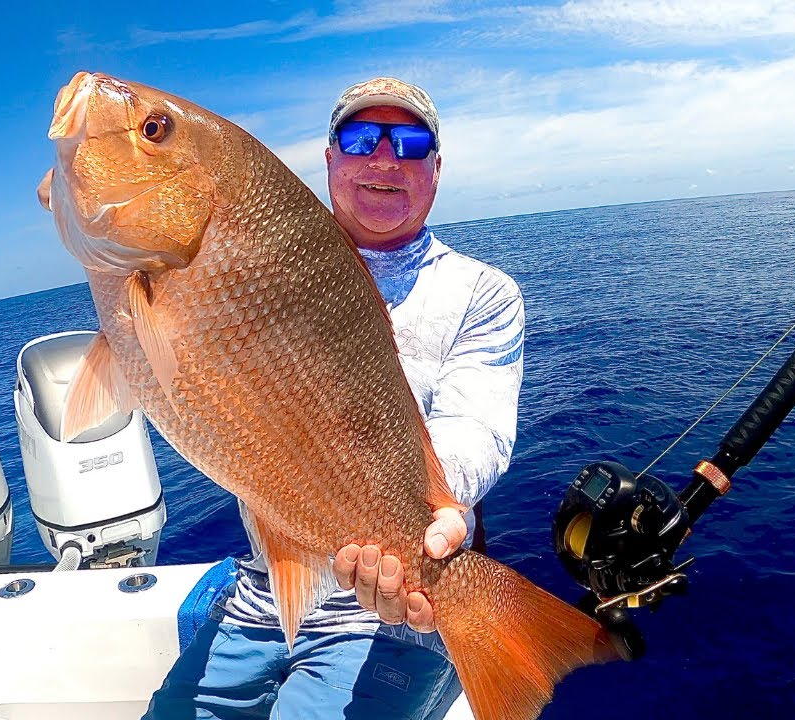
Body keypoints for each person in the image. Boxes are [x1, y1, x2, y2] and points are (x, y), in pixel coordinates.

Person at [144, 77, 525, 720]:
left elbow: (477, 428)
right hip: (263, 592)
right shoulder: (256, 262)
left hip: (397, 607)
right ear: (329, 159)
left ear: (435, 168)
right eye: (359, 138)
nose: (384, 159)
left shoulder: (482, 293)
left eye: (409, 142)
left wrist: (429, 525)